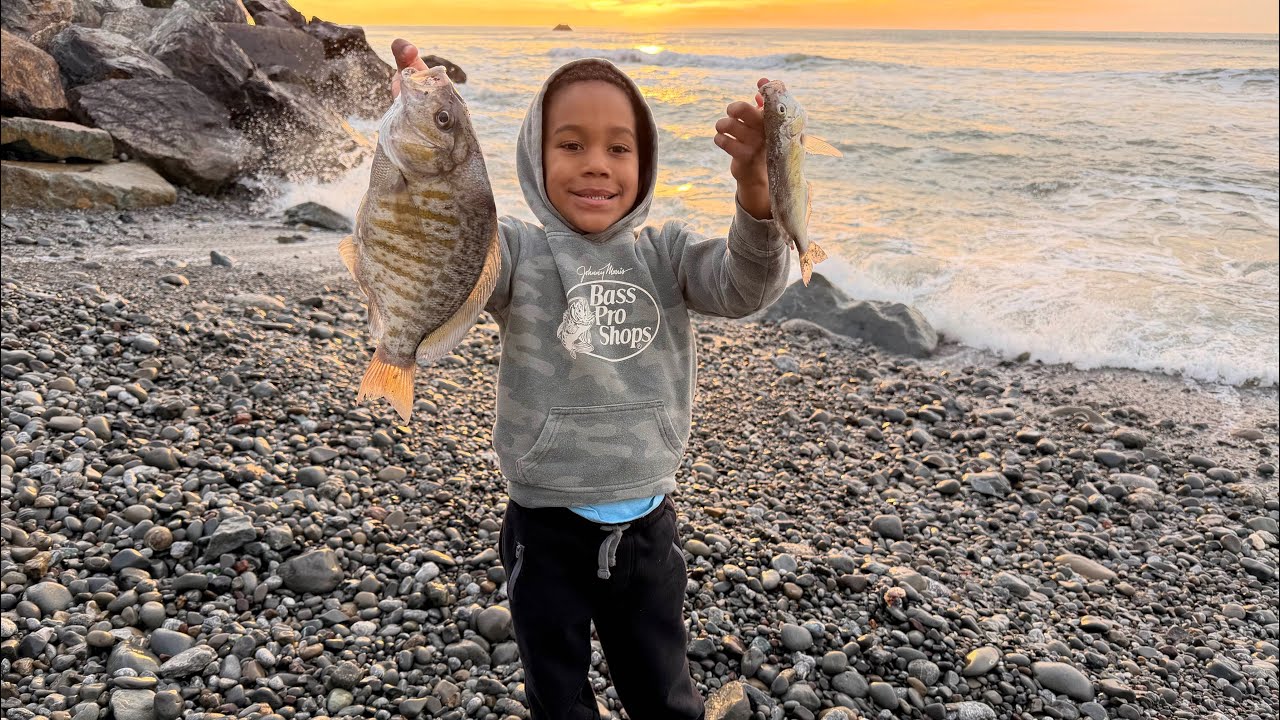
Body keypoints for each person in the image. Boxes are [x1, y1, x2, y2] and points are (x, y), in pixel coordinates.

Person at [389, 38, 792, 720]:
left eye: (618, 148)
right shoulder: (515, 249)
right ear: (533, 157)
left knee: (664, 690)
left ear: (647, 161)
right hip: (544, 524)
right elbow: (444, 242)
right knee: (558, 692)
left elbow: (745, 287)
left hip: (647, 521)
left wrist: (757, 192)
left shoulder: (666, 252)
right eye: (571, 146)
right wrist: (417, 133)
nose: (596, 166)